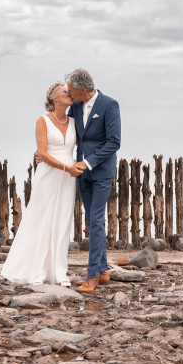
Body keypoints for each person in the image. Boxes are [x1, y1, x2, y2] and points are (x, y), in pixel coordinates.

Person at [0, 82, 82, 287]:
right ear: (55, 98)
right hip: (49, 174)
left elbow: (84, 144)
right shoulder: (43, 121)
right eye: (65, 91)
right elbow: (43, 154)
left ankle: (59, 272)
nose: (69, 93)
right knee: (41, 218)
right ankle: (36, 270)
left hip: (68, 177)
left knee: (62, 220)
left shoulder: (74, 122)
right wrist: (66, 167)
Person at [64, 69, 121, 294]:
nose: (68, 94)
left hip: (101, 171)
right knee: (93, 220)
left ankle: (92, 275)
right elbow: (67, 133)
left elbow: (114, 142)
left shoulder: (110, 105)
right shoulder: (75, 107)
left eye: (71, 90)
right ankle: (103, 270)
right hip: (82, 173)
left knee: (96, 220)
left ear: (83, 89)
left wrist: (88, 162)